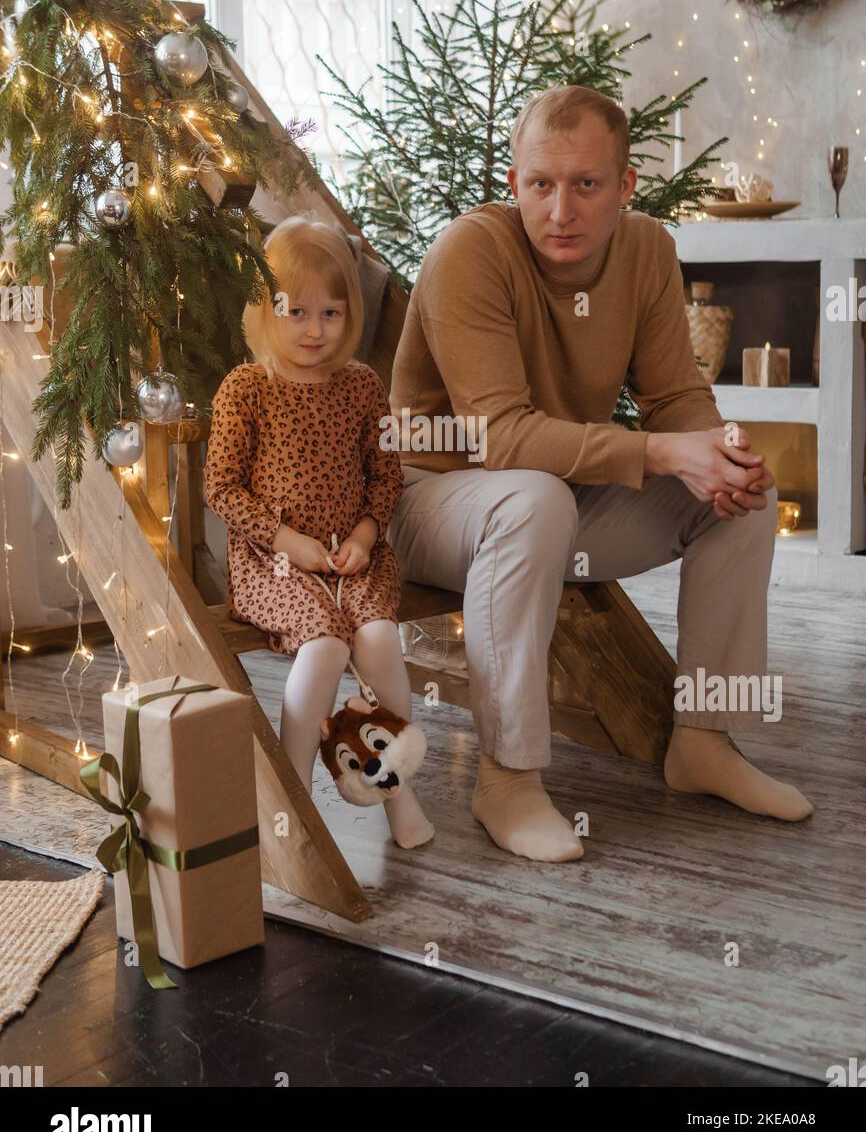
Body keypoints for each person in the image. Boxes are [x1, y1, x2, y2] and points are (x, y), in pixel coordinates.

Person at [387, 84, 812, 864]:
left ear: (626, 187)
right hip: (428, 499)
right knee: (533, 502)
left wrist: (716, 451)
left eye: (586, 184)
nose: (560, 211)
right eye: (540, 185)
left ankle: (703, 742)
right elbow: (502, 437)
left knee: (746, 501)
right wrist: (657, 452)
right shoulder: (468, 254)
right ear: (512, 185)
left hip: (552, 495)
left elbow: (676, 393)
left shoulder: (647, 249)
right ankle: (507, 780)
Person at [205, 215, 434, 849]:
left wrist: (363, 535)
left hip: (352, 559)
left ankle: (394, 784)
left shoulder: (361, 386)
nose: (314, 329)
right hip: (272, 562)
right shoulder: (246, 389)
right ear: (266, 310)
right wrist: (288, 543)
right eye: (297, 311)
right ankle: (294, 796)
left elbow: (385, 476)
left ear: (349, 315)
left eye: (331, 314)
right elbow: (220, 488)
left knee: (381, 640)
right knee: (328, 646)